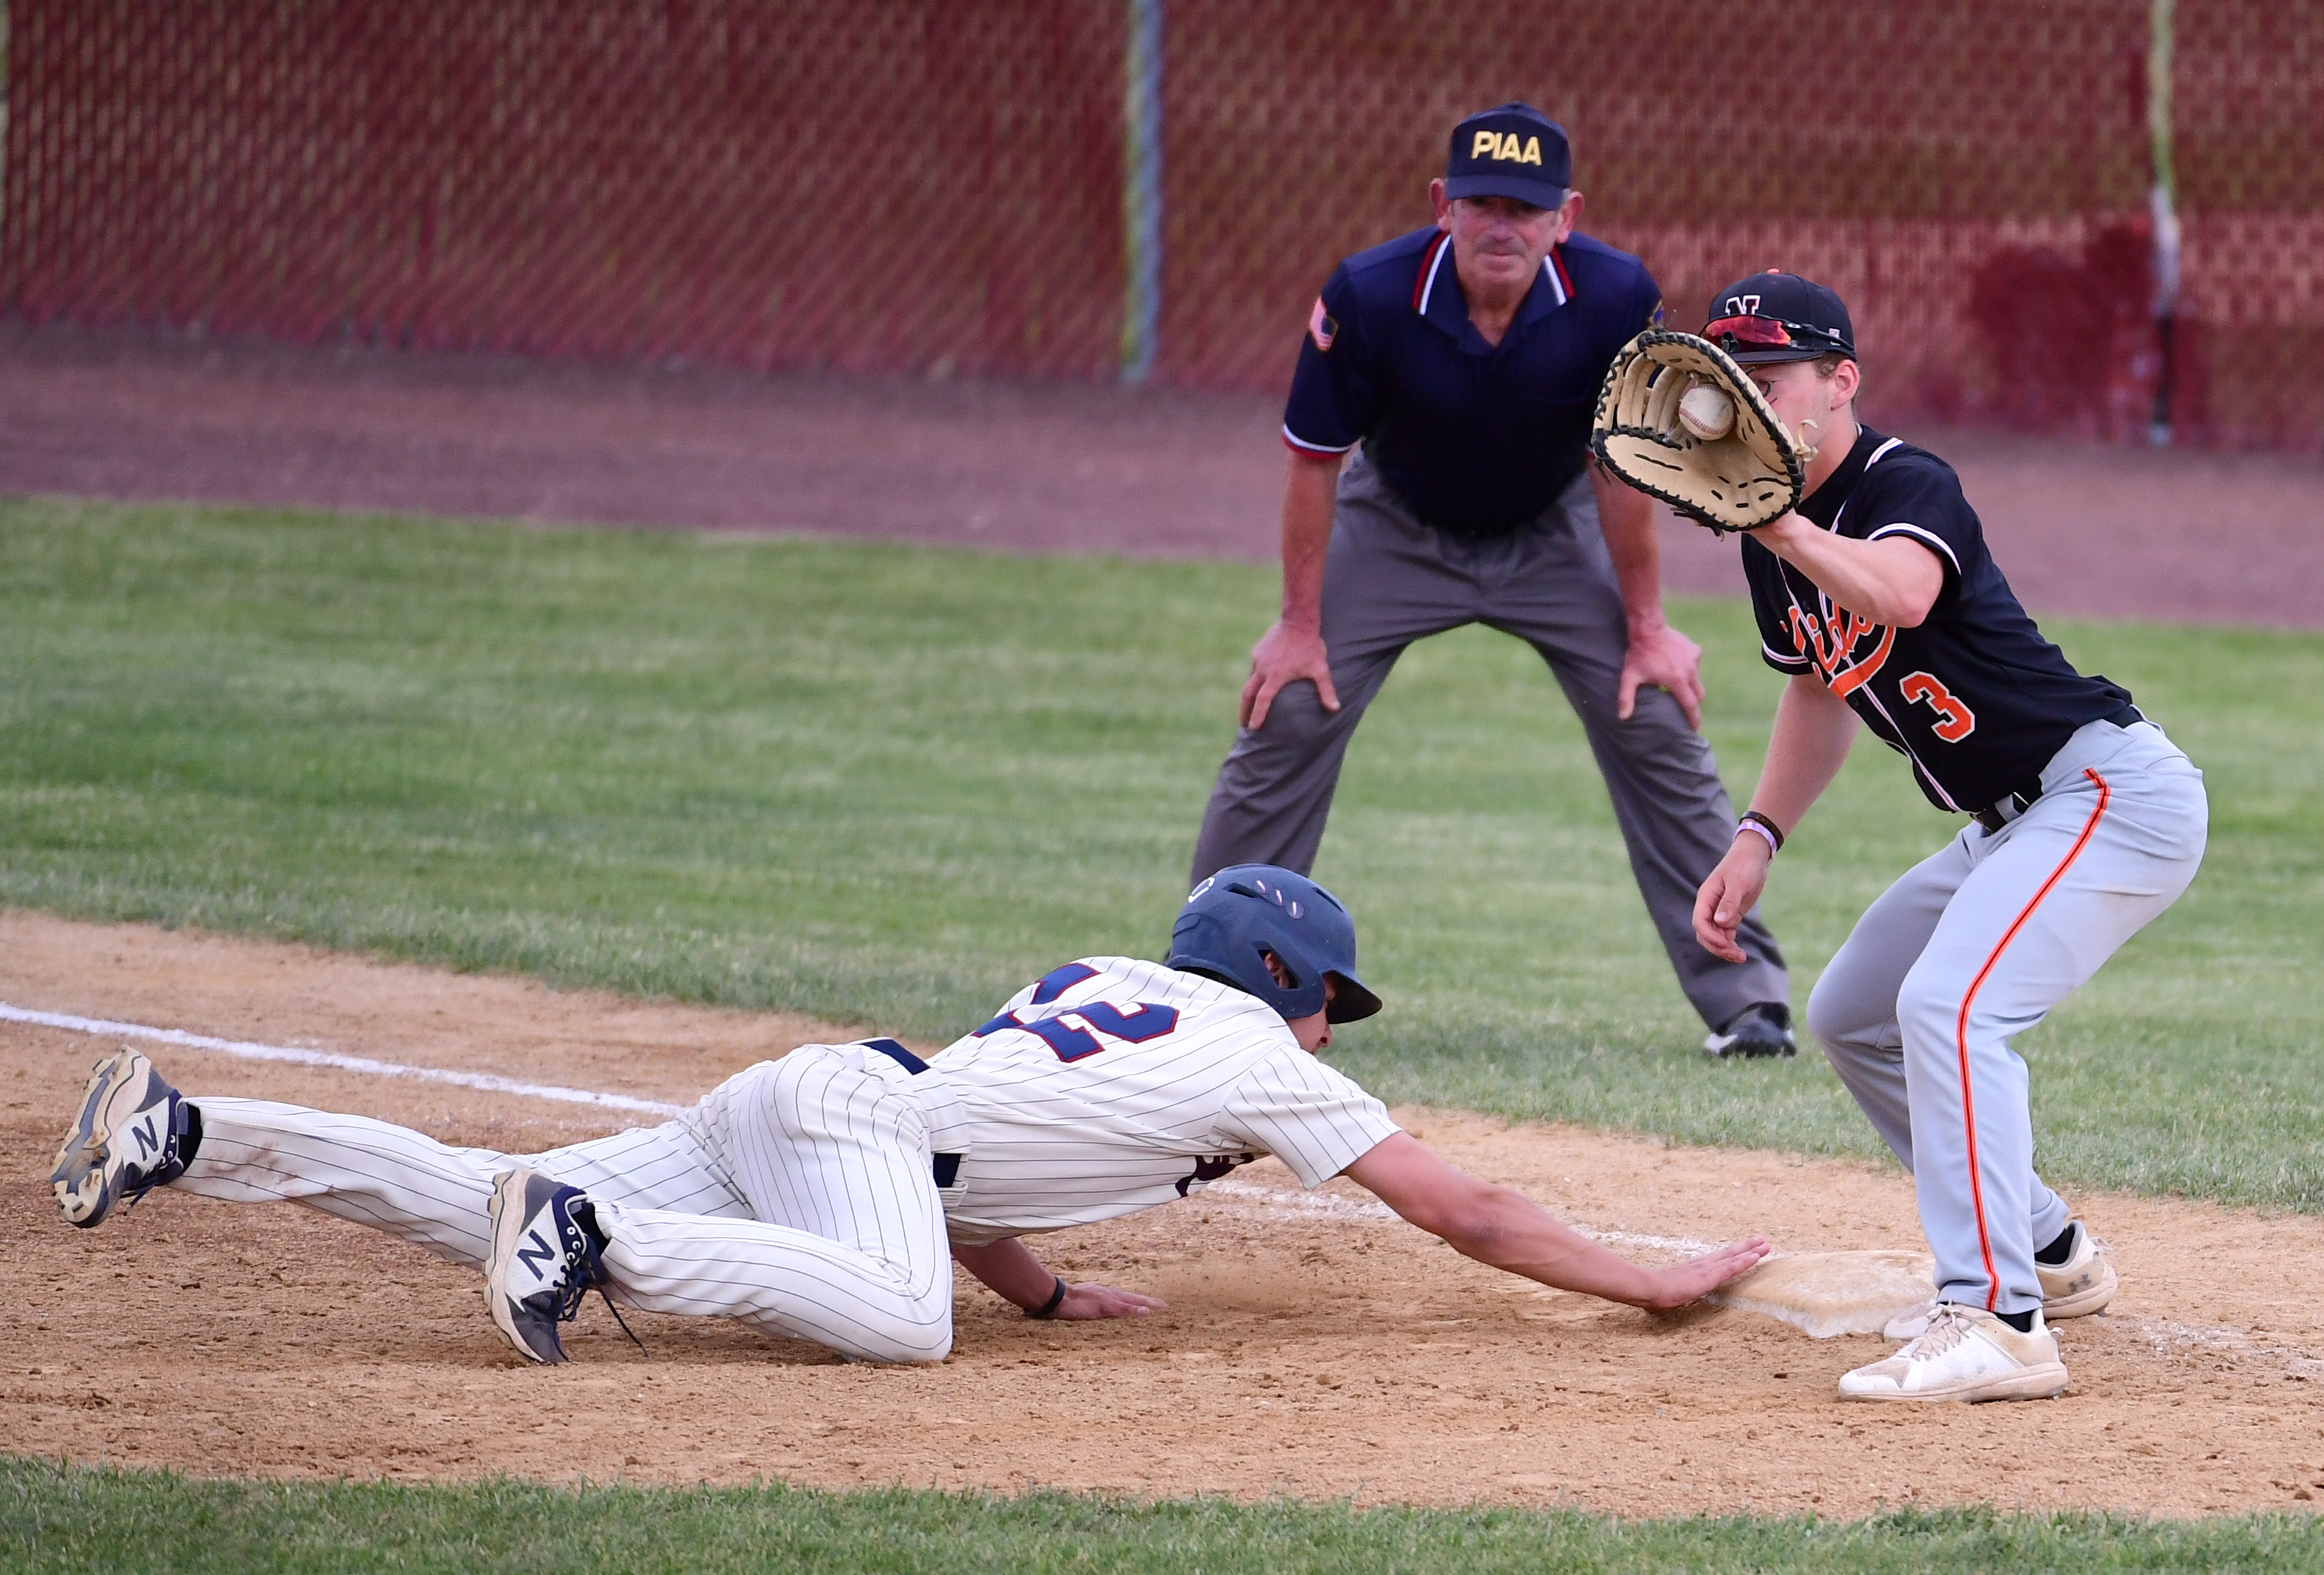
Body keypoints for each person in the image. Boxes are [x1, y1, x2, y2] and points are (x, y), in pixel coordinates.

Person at [53, 865, 1769, 1366]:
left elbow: (992, 1146)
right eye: (1333, 992)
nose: (1334, 1024)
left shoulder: (1109, 972)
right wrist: (1646, 1277)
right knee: (899, 1316)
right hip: (855, 1133)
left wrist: (1047, 1286)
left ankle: (184, 1129)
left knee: (474, 1194)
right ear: (1278, 975)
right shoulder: (1268, 1052)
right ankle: (596, 1235)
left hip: (804, 1101)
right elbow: (1463, 1208)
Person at [1689, 273, 2208, 1403]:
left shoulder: (1901, 480)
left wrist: (1776, 524)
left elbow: (1902, 596)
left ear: (1841, 382)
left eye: (1774, 375)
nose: (1752, 398)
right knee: (1853, 1013)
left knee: (1951, 1006)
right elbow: (1819, 687)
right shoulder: (1770, 541)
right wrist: (1759, 832)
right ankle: (2049, 1251)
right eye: (1736, 378)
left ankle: (2000, 1320)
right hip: (2012, 823)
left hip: (2109, 794)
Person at [1191, 101, 1792, 1059]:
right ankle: (1209, 988)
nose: (1502, 226)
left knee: (1655, 711)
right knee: (1291, 704)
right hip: (1397, 523)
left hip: (1553, 529)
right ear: (1444, 206)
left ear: (1566, 218)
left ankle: (1749, 1004)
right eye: (1483, 204)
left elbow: (1620, 467)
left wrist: (1648, 627)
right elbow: (1314, 459)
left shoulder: (1616, 295)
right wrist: (1298, 625)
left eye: (1526, 207)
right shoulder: (1369, 294)